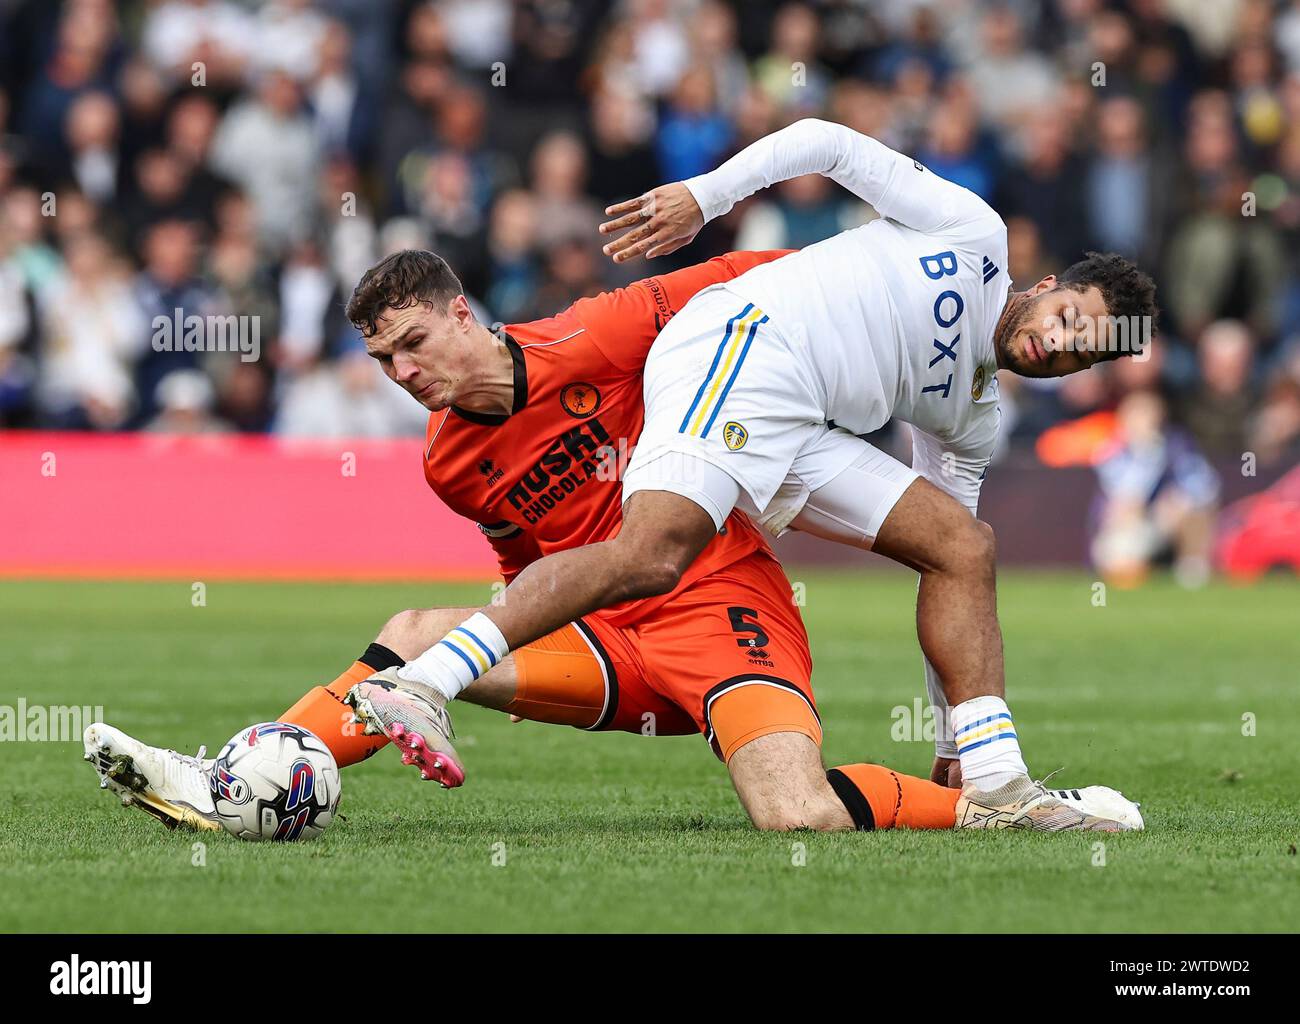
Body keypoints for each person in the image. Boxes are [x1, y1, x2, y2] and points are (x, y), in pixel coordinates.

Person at [379, 119, 1156, 830]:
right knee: (655, 552)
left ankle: (997, 780)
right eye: (1069, 323)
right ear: (1048, 285)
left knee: (962, 544)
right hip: (740, 342)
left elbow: (949, 581)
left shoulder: (974, 418)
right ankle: (426, 678)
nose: (1061, 348)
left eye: (1082, 354)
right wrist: (704, 196)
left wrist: (954, 731)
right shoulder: (974, 232)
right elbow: (829, 143)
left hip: (793, 426)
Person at [84, 248, 985, 836]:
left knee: (800, 820)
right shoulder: (451, 462)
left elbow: (757, 275)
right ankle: (235, 775)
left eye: (413, 344)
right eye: (384, 362)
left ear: (463, 312)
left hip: (719, 603)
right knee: (414, 632)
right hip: (608, 643)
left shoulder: (606, 333)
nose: (403, 374)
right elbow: (525, 576)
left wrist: (891, 283)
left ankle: (988, 812)